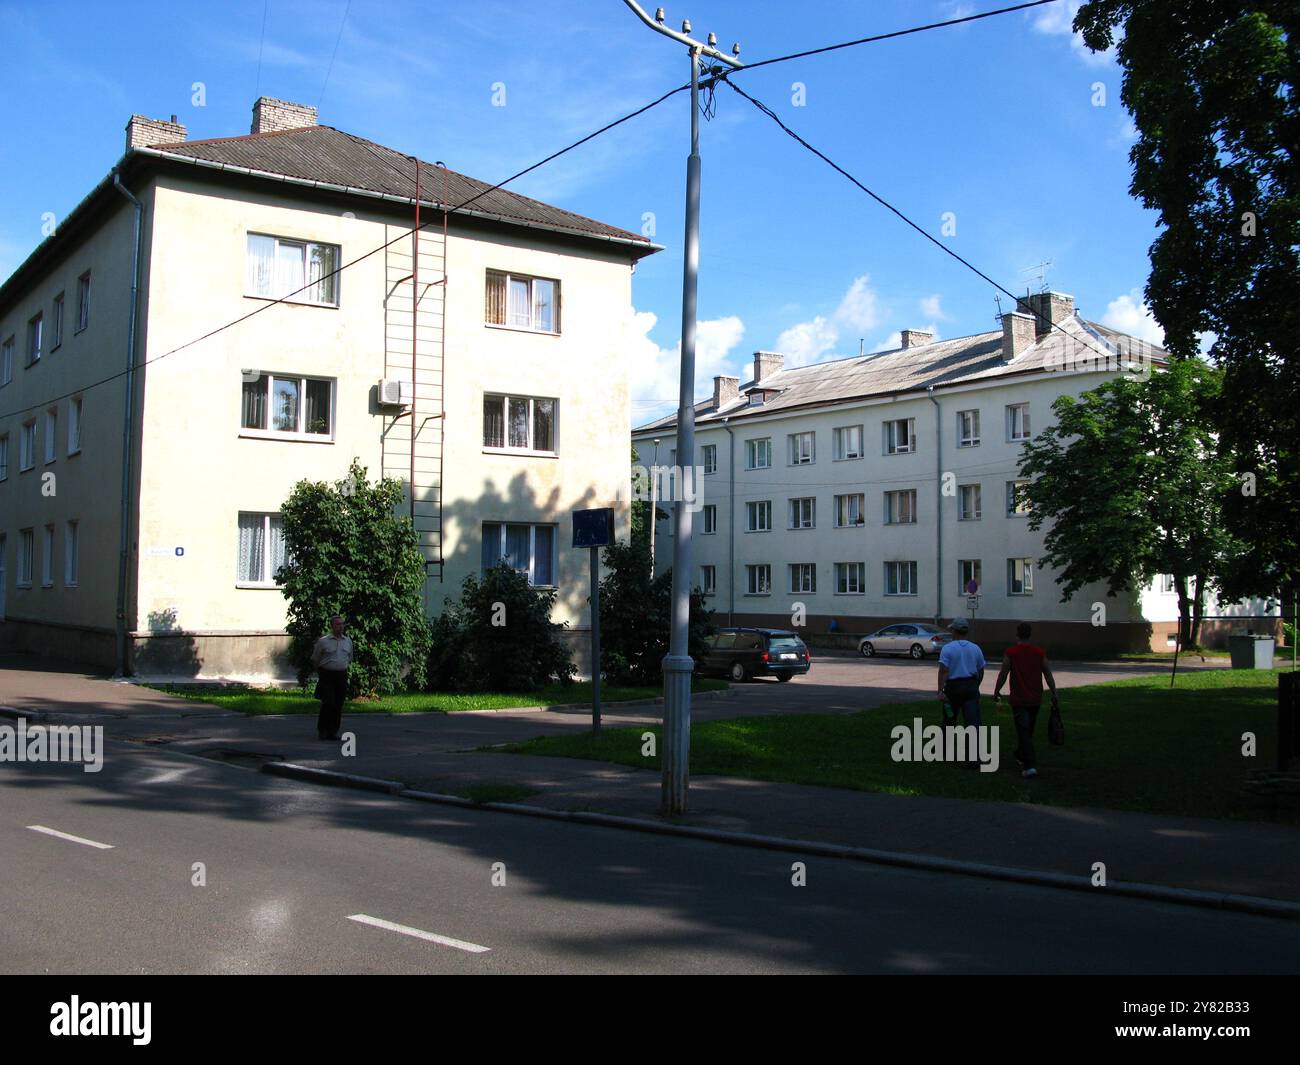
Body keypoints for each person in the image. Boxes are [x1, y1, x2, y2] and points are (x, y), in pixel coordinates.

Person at [993, 622, 1059, 779]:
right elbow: (1048, 674)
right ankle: (1020, 754)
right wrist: (1054, 692)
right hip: (1035, 698)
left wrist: (997, 690)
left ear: (1017, 635)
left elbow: (1004, 673)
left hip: (1018, 698)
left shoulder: (1011, 652)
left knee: (1024, 731)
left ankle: (1029, 765)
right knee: (1028, 730)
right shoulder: (1039, 652)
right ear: (1030, 635)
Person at [937, 618, 986, 766]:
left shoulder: (948, 648)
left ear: (954, 631)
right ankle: (974, 757)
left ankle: (945, 753)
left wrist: (940, 690)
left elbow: (943, 671)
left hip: (953, 688)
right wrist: (976, 685)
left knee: (950, 720)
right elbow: (981, 670)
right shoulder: (975, 648)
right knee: (973, 722)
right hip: (971, 686)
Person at [311, 614, 354, 741]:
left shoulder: (347, 641)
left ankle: (333, 731)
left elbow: (349, 658)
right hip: (326, 674)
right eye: (337, 624)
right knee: (328, 702)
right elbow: (315, 659)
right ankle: (323, 730)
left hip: (341, 674)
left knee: (338, 703)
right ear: (332, 626)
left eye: (342, 624)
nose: (340, 627)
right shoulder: (323, 641)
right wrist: (320, 673)